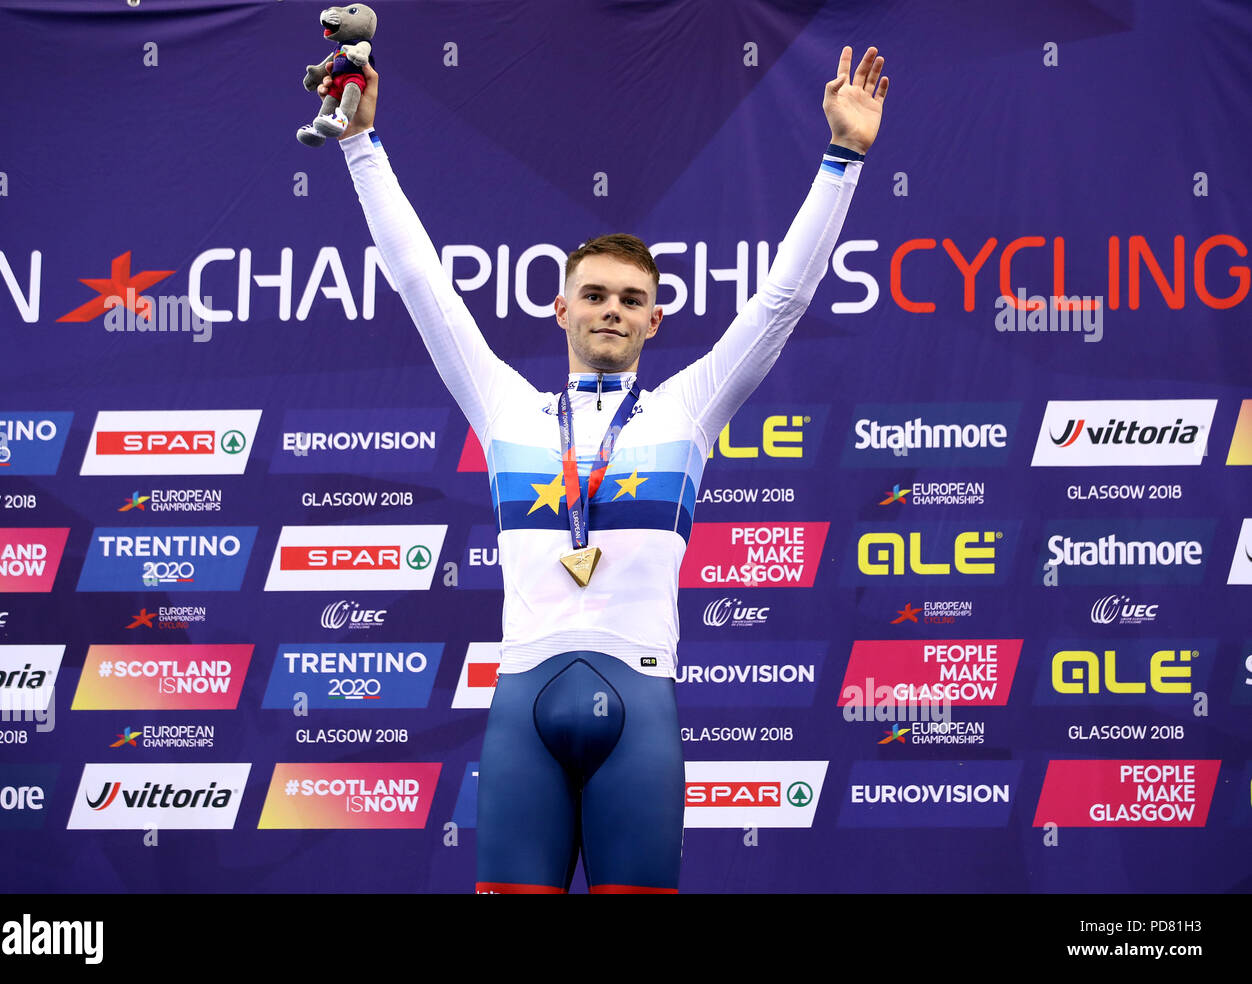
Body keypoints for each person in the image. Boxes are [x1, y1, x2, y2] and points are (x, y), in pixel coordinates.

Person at [328, 45, 888, 893]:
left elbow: (782, 299)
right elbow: (421, 285)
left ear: (655, 321)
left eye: (631, 299)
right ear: (560, 309)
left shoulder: (688, 410)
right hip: (523, 703)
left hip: (643, 706)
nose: (612, 311)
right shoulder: (506, 407)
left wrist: (842, 158)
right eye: (594, 295)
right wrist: (361, 146)